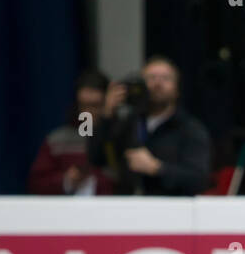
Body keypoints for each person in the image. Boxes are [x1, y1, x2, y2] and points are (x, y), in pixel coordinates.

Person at [88, 56, 212, 196]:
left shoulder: (190, 129)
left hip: (171, 211)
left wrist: (157, 168)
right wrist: (107, 114)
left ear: (177, 89)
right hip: (127, 209)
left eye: (166, 78)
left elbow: (200, 180)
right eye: (151, 78)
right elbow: (95, 159)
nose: (157, 83)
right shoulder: (129, 123)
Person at [28, 70, 116, 195]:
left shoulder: (121, 135)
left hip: (111, 210)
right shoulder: (59, 140)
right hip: (67, 210)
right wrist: (66, 180)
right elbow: (36, 183)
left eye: (95, 105)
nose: (88, 113)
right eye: (83, 105)